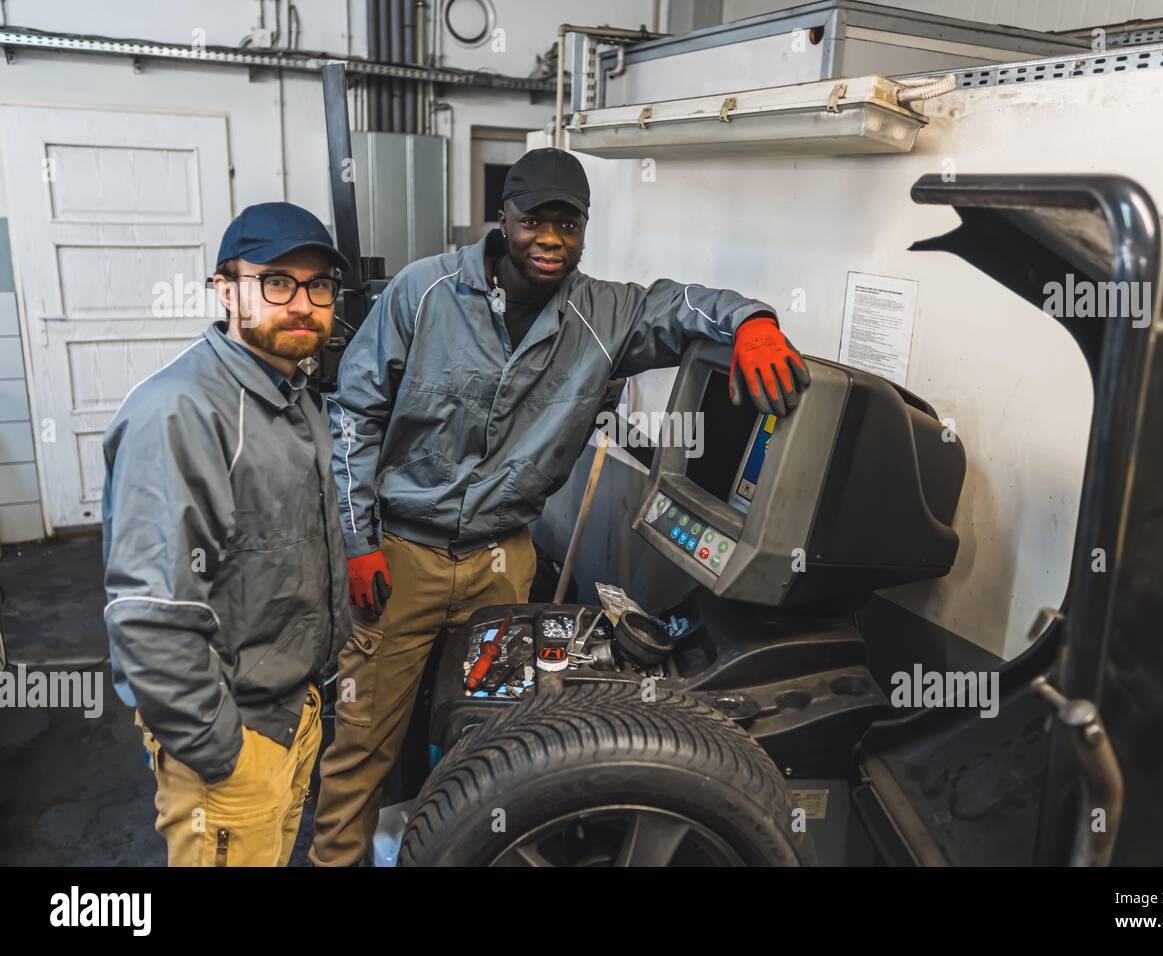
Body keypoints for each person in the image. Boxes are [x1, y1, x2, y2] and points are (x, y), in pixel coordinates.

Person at [311, 147, 810, 866]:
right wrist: (358, 541)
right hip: (401, 556)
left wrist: (752, 323)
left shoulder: (605, 313)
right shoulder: (422, 293)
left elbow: (683, 305)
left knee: (504, 738)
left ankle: (470, 845)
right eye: (535, 220)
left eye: (568, 223)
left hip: (501, 560)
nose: (550, 239)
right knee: (365, 737)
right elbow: (355, 415)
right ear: (503, 218)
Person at [101, 202, 351, 866]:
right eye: (276, 281)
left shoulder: (292, 396)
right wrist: (224, 752)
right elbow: (150, 620)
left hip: (294, 710)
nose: (302, 303)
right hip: (235, 736)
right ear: (226, 289)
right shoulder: (179, 411)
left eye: (319, 285)